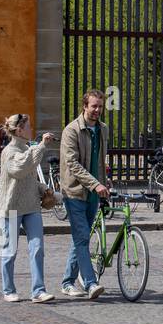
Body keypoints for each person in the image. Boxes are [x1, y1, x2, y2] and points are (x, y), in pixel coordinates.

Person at [0, 114, 57, 303]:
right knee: (10, 251)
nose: (32, 129)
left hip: (31, 206)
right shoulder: (9, 151)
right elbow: (19, 170)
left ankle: (38, 291)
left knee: (37, 248)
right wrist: (41, 146)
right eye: (29, 126)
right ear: (20, 130)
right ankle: (8, 290)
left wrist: (43, 188)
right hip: (12, 207)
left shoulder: (26, 148)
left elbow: (29, 179)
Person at [59, 89, 112, 299]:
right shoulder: (71, 130)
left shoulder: (103, 129)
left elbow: (100, 158)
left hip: (93, 194)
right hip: (74, 192)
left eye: (100, 106)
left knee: (80, 238)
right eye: (94, 106)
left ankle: (67, 282)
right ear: (84, 106)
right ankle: (90, 283)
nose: (97, 110)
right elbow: (72, 164)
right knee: (81, 237)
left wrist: (104, 180)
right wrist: (95, 184)